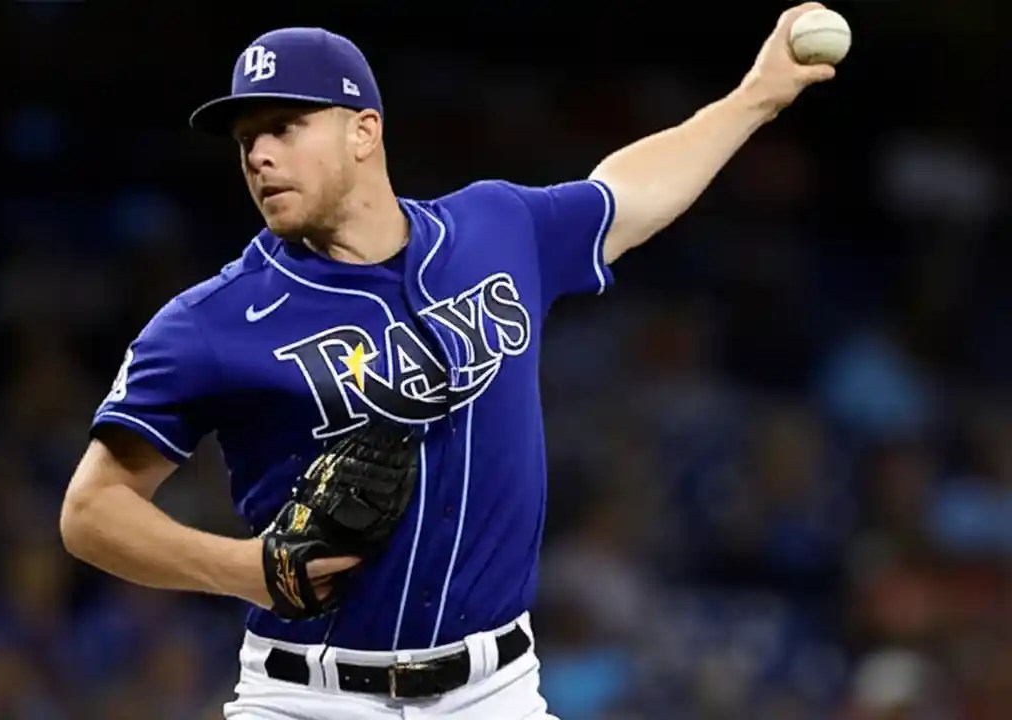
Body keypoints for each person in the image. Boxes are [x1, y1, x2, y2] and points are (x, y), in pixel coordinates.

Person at [59, 5, 837, 718]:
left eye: (286, 125)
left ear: (364, 131)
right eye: (246, 139)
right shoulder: (210, 322)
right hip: (309, 697)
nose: (260, 154)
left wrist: (756, 97)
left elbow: (626, 194)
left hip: (495, 690)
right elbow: (91, 510)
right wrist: (240, 568)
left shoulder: (494, 227)